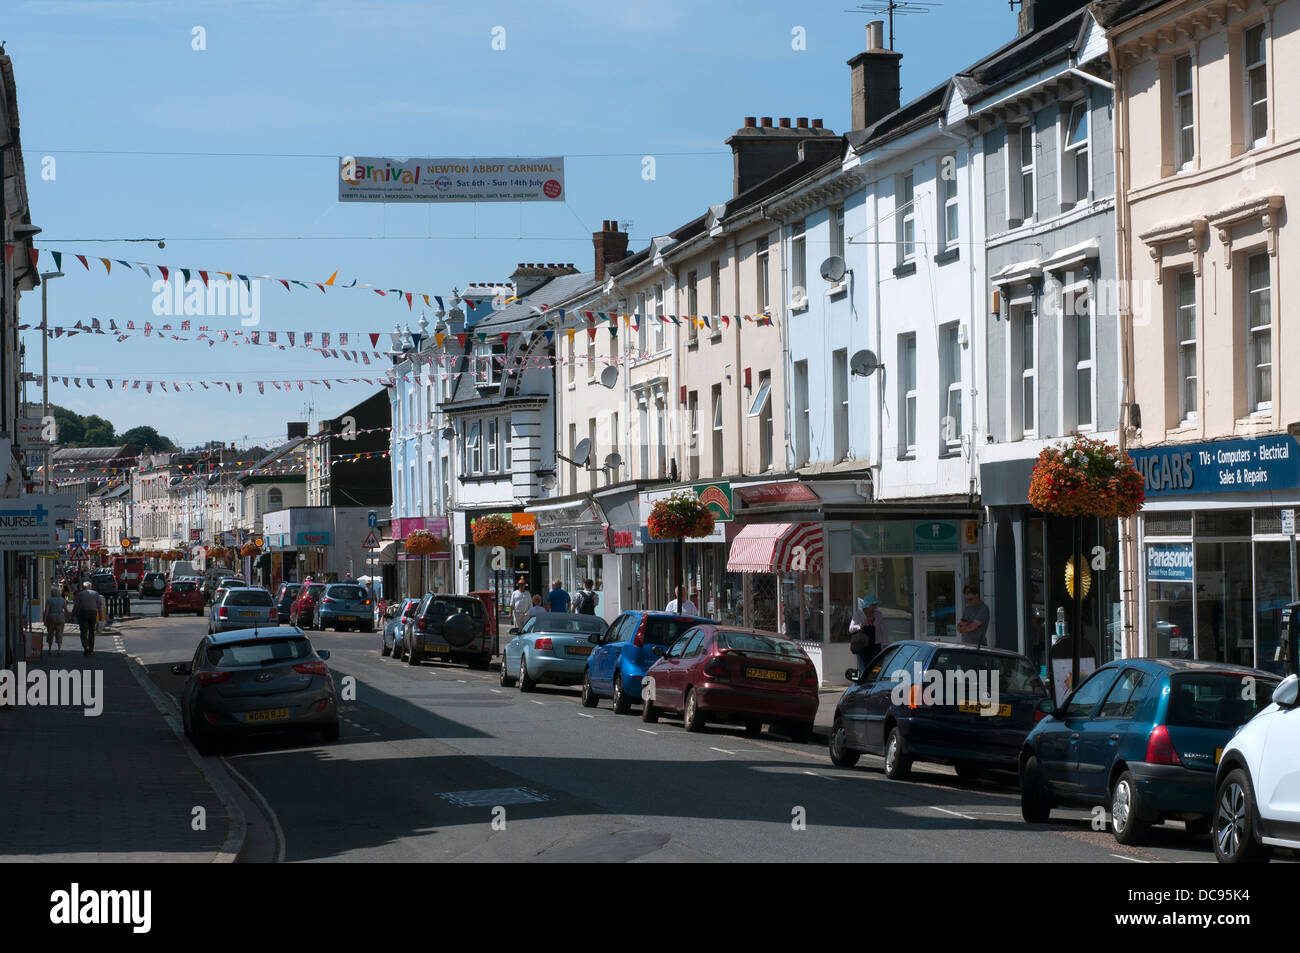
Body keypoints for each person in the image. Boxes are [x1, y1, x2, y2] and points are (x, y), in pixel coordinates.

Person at [849, 595, 880, 673]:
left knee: (876, 669)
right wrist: (861, 625)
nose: (874, 607)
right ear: (867, 605)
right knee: (864, 669)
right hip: (862, 646)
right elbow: (851, 629)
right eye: (872, 605)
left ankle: (875, 683)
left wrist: (885, 643)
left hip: (875, 645)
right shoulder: (859, 614)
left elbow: (882, 630)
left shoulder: (878, 615)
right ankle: (864, 684)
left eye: (875, 605)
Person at [73, 581, 100, 656]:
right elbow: (99, 606)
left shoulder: (80, 594)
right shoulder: (96, 594)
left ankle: (86, 646)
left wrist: (72, 615)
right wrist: (101, 616)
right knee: (92, 632)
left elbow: (76, 606)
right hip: (93, 613)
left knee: (83, 631)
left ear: (84, 587)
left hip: (83, 613)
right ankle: (91, 650)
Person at [43, 587, 67, 657]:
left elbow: (47, 610)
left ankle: (50, 649)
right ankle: (59, 649)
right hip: (60, 617)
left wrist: (44, 619)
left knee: (50, 633)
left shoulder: (49, 600)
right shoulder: (62, 600)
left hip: (51, 617)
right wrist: (69, 617)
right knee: (59, 633)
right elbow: (65, 609)